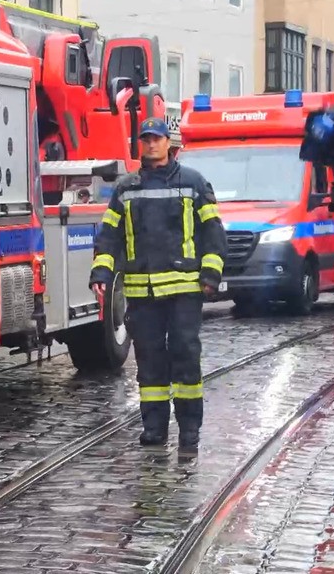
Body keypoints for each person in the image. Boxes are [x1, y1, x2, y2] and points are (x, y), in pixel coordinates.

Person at [89, 117, 227, 450]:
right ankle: (154, 428)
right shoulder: (126, 188)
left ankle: (189, 429)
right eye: (146, 139)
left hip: (184, 291)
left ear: (169, 143)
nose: (151, 143)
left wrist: (210, 275)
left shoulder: (193, 183)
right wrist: (101, 273)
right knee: (149, 362)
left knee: (185, 356)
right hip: (142, 293)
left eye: (157, 138)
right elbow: (109, 236)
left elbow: (213, 233)